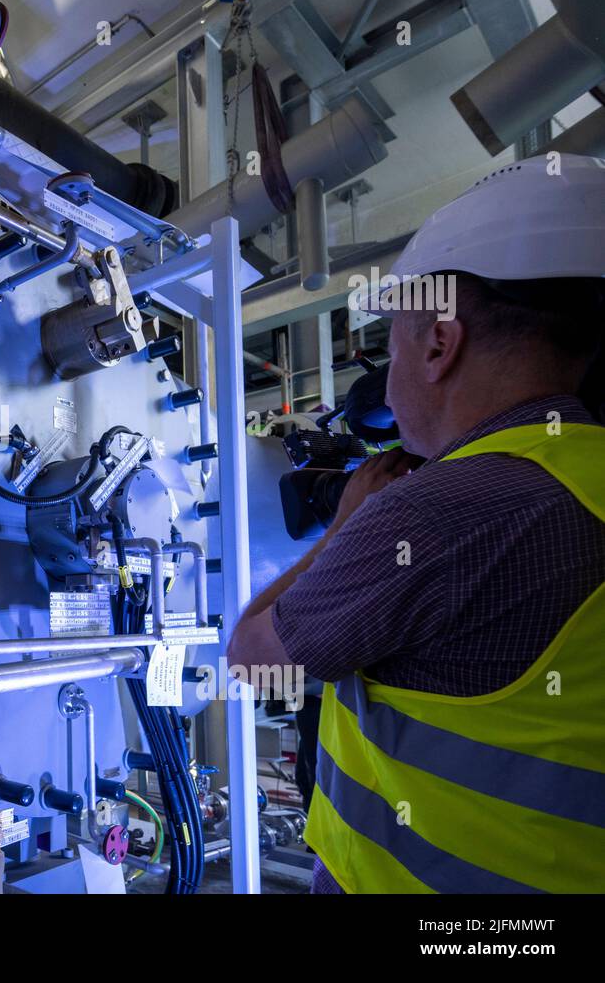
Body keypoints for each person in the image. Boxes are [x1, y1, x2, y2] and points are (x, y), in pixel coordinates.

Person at [226, 154, 605, 893]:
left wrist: (343, 529)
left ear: (439, 343)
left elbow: (250, 656)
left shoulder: (437, 515)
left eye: (391, 342)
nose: (388, 376)